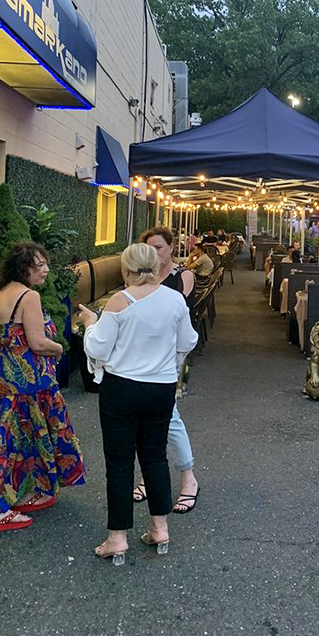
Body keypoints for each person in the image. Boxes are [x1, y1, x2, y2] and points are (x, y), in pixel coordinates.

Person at [79, 243, 197, 564]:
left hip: (122, 389)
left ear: (125, 269)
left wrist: (91, 323)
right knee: (155, 457)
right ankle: (160, 528)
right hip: (160, 388)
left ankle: (117, 538)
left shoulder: (120, 300)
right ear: (158, 266)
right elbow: (188, 341)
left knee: (119, 462)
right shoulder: (175, 300)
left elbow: (100, 349)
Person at [0, 242, 85, 535]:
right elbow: (38, 343)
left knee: (2, 441)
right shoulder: (29, 296)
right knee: (40, 434)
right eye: (39, 265)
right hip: (31, 384)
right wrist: (60, 348)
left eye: (45, 263)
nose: (45, 269)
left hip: (3, 380)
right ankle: (4, 510)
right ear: (23, 268)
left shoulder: (1, 293)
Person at [131, 226, 200, 514]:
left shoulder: (182, 276)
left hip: (168, 357)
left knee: (168, 418)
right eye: (150, 248)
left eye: (159, 247)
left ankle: (188, 479)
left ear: (171, 247)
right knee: (146, 419)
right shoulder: (142, 278)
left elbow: (174, 316)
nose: (154, 253)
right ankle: (153, 475)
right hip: (139, 359)